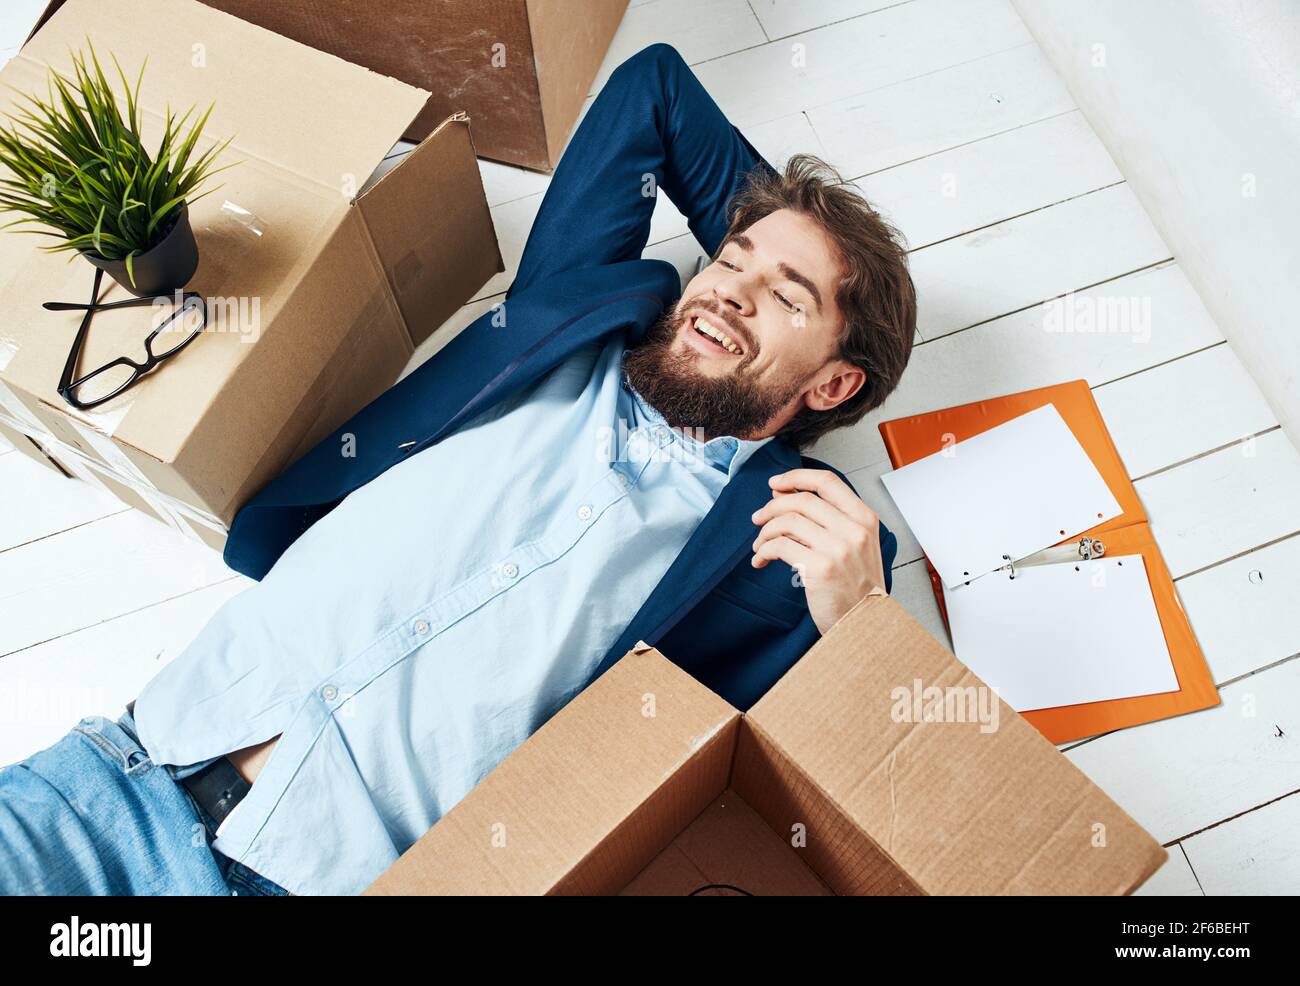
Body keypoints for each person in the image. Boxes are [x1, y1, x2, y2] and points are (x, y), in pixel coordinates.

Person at [0, 44, 915, 896]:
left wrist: (861, 633)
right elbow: (655, 89)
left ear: (836, 383)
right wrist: (773, 252)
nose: (729, 288)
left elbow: (834, 808)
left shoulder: (784, 549)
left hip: (297, 881)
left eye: (785, 297)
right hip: (111, 778)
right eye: (728, 258)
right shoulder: (575, 317)